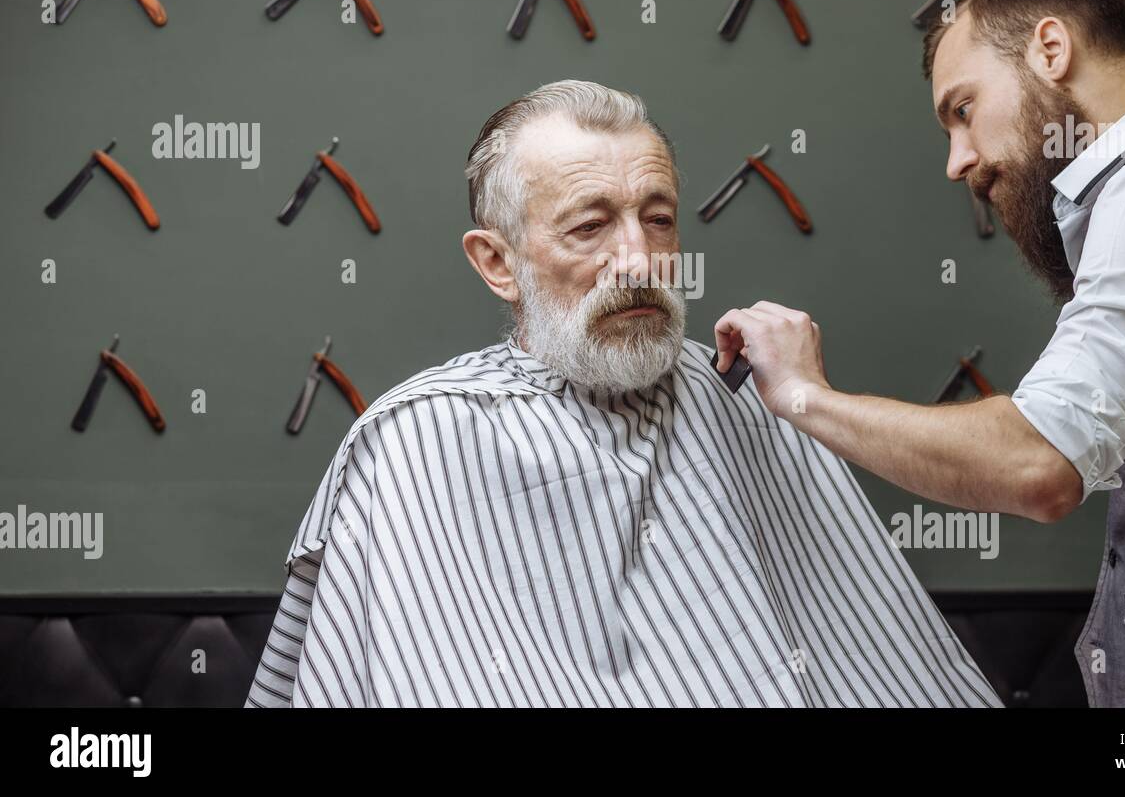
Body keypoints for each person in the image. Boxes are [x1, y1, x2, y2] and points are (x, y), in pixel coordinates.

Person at [245, 79, 999, 708]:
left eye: (659, 220)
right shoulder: (420, 439)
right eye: (589, 226)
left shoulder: (747, 394)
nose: (638, 260)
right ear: (497, 263)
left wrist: (808, 399)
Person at [713, 0, 1125, 708]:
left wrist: (802, 395)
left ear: (1051, 49)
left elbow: (1038, 463)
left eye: (963, 109)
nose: (958, 161)